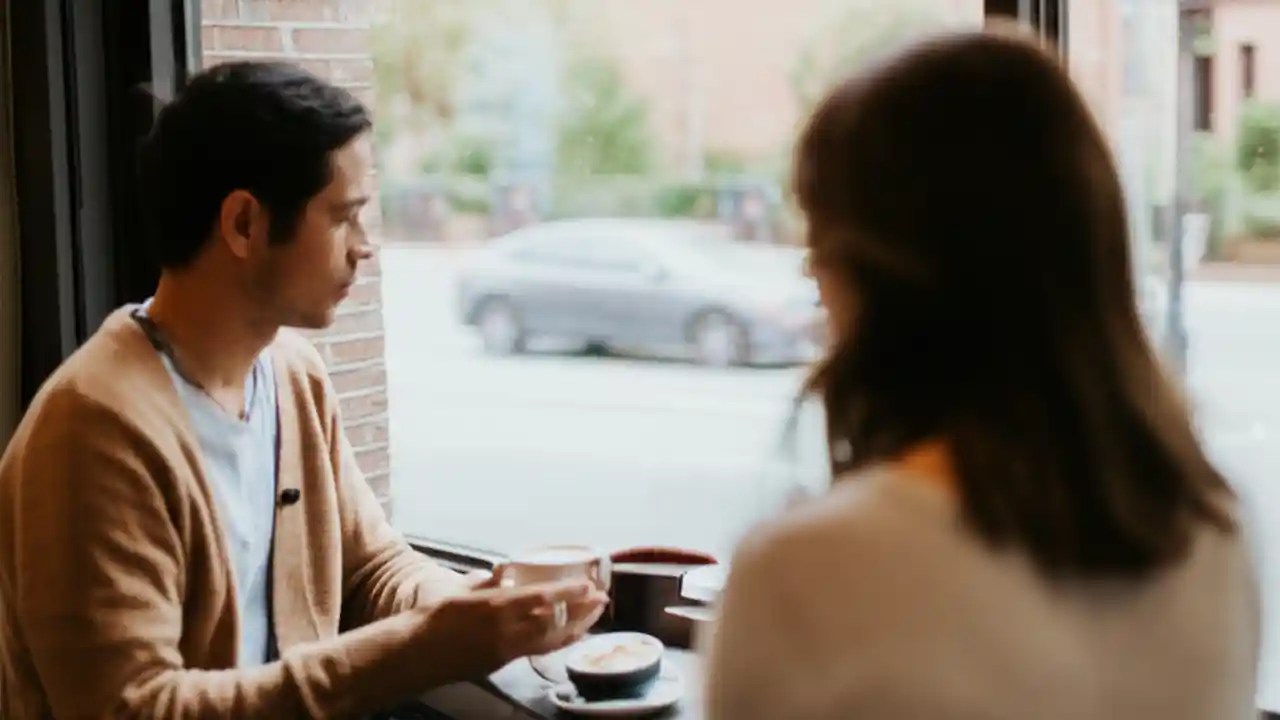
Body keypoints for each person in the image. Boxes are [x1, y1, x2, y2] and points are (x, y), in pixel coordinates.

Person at [0, 61, 607, 718]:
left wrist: (478, 611)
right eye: (343, 217)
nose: (364, 246)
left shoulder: (293, 374)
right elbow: (135, 709)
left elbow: (372, 565)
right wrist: (423, 647)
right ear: (243, 225)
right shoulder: (95, 430)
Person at [701, 28, 1260, 720]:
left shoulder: (806, 572)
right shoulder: (1214, 534)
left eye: (820, 248)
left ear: (880, 275)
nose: (815, 281)